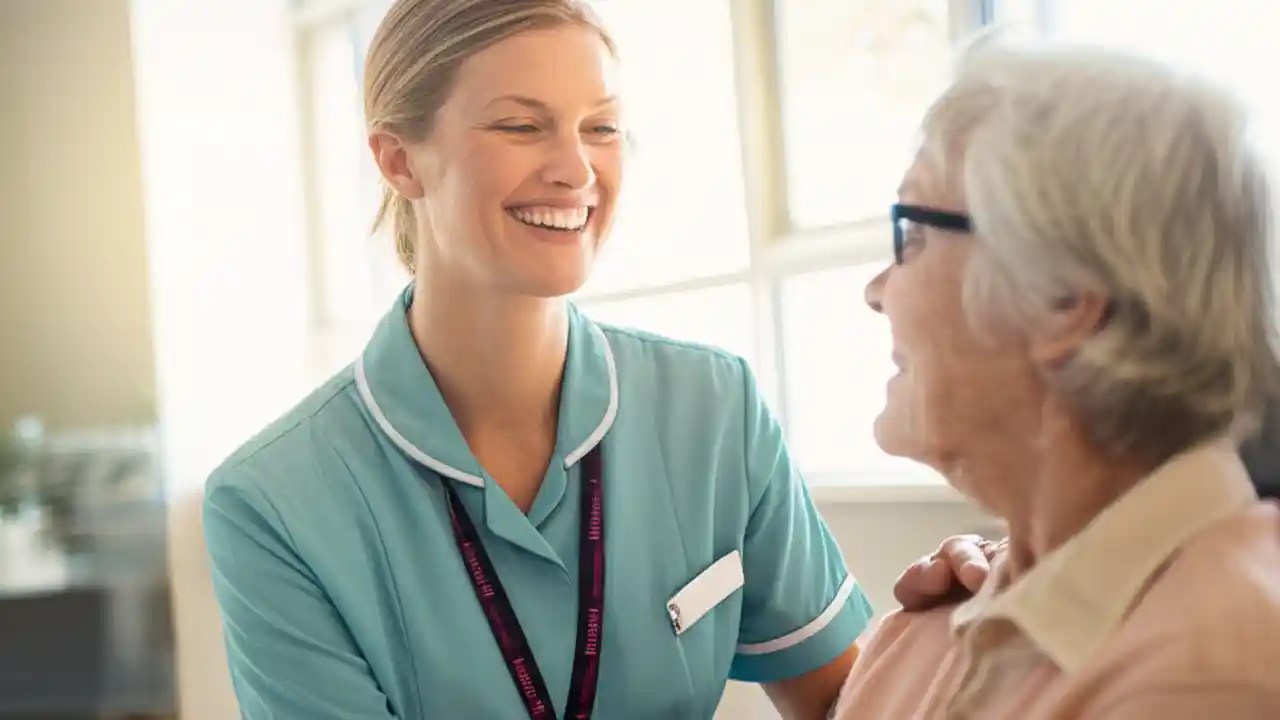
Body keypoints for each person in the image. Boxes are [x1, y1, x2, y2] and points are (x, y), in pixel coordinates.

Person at [202, 1, 990, 718]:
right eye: (520, 126)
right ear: (400, 160)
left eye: (601, 128)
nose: (576, 170)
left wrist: (960, 634)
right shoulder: (272, 504)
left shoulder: (713, 408)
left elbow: (840, 705)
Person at [832, 42, 1280, 719]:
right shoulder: (916, 639)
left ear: (1066, 299)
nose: (876, 290)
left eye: (914, 234)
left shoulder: (1213, 674)